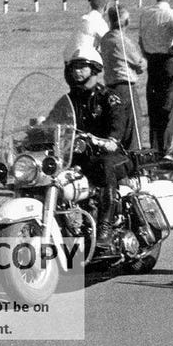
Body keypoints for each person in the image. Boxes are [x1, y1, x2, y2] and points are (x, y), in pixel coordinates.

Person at [64, 45, 132, 252]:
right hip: (81, 156)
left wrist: (110, 140)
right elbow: (54, 120)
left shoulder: (109, 98)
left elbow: (117, 129)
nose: (77, 71)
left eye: (82, 67)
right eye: (74, 67)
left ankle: (105, 227)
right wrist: (38, 130)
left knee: (103, 166)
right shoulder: (69, 100)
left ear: (94, 69)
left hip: (113, 155)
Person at [138, 0, 173, 163]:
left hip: (153, 60)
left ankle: (154, 146)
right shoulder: (171, 14)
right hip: (169, 61)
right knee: (169, 104)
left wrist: (147, 53)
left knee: (154, 104)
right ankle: (165, 148)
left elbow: (140, 40)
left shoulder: (146, 13)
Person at [100, 5, 146, 151]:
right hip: (125, 86)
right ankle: (135, 161)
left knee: (117, 126)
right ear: (125, 21)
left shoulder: (105, 39)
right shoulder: (122, 41)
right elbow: (140, 64)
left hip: (110, 86)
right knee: (133, 129)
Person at [62, 0, 111, 68]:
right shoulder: (99, 22)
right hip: (82, 62)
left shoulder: (83, 19)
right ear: (106, 6)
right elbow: (110, 43)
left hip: (68, 60)